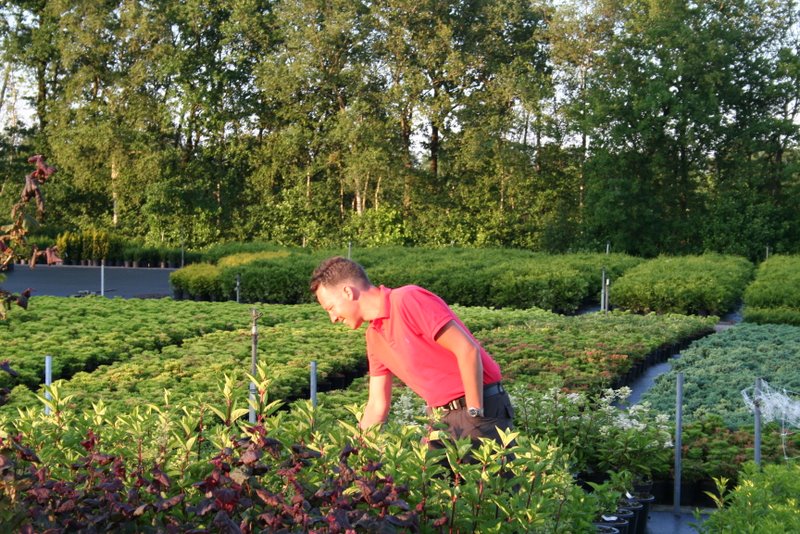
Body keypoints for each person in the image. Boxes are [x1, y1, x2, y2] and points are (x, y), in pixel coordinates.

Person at [309, 256, 514, 448]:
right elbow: (377, 406)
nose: (333, 318)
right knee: (427, 481)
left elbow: (467, 349)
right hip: (440, 419)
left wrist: (475, 413)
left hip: (478, 407)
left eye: (331, 308)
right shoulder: (374, 337)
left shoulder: (407, 299)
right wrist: (350, 452)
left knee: (488, 486)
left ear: (348, 292)